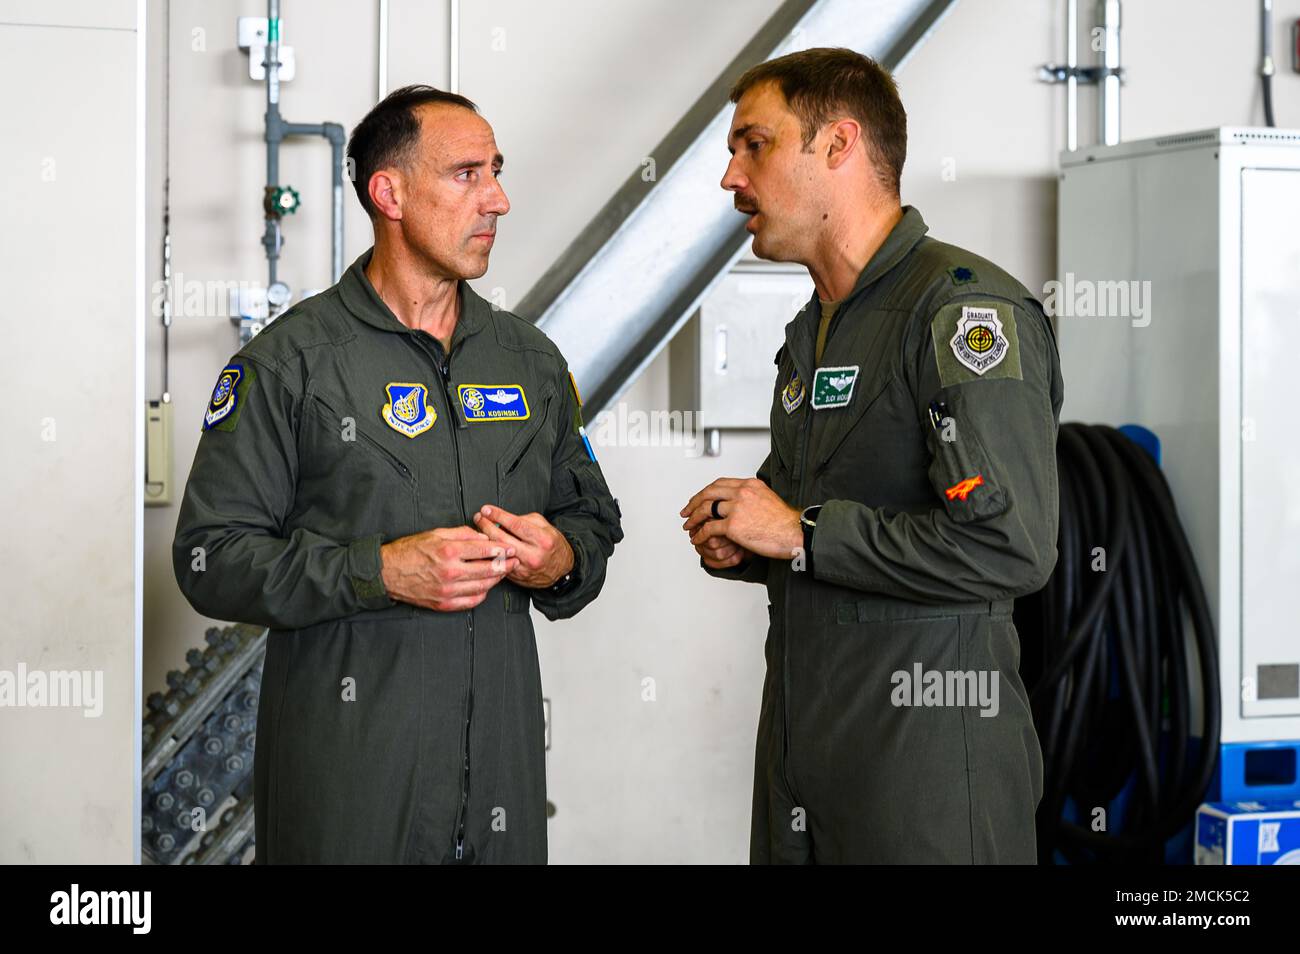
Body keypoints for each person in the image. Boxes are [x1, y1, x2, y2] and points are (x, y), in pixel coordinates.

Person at [173, 85, 622, 864]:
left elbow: (591, 521)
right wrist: (378, 572)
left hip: (501, 798)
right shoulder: (292, 364)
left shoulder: (531, 361)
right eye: (467, 174)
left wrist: (563, 559)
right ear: (390, 193)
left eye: (497, 172)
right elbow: (209, 556)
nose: (499, 200)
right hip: (351, 797)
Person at [681, 48, 1063, 864]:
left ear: (839, 145)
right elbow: (811, 519)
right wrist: (749, 537)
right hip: (803, 761)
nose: (730, 178)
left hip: (925, 775)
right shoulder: (817, 325)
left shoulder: (960, 313)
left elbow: (1010, 544)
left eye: (754, 145)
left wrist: (802, 534)